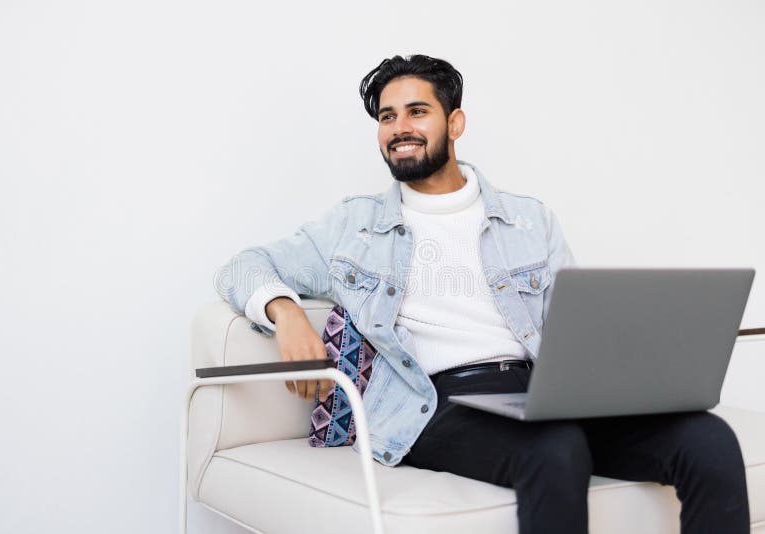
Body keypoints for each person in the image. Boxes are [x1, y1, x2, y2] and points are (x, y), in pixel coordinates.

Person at [215, 54, 749, 533]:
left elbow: (574, 328)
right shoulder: (352, 227)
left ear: (455, 121)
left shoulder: (529, 219)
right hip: (434, 403)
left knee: (707, 440)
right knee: (556, 448)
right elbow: (241, 267)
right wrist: (285, 314)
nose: (399, 128)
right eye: (386, 117)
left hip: (540, 394)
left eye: (417, 112)